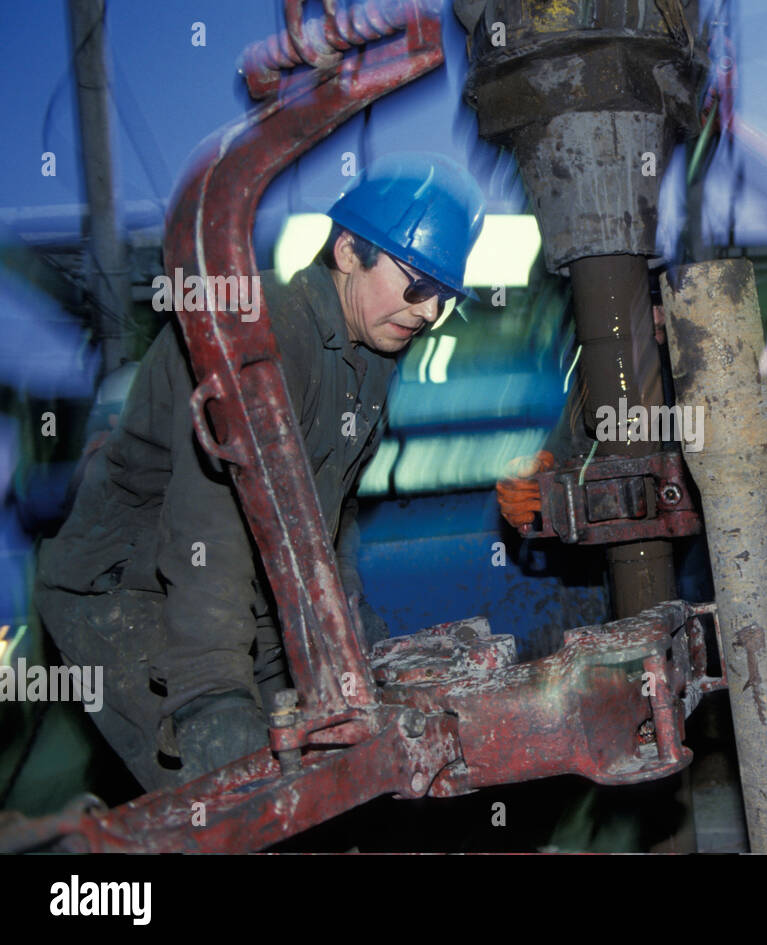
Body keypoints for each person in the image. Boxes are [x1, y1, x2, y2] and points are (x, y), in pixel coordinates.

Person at [33, 152, 485, 793]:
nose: (427, 311)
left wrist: (357, 641)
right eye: (417, 284)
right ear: (349, 250)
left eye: (444, 297)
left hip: (257, 601)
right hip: (131, 596)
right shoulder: (260, 333)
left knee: (342, 782)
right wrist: (208, 697)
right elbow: (209, 522)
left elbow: (334, 511)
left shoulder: (372, 358)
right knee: (235, 800)